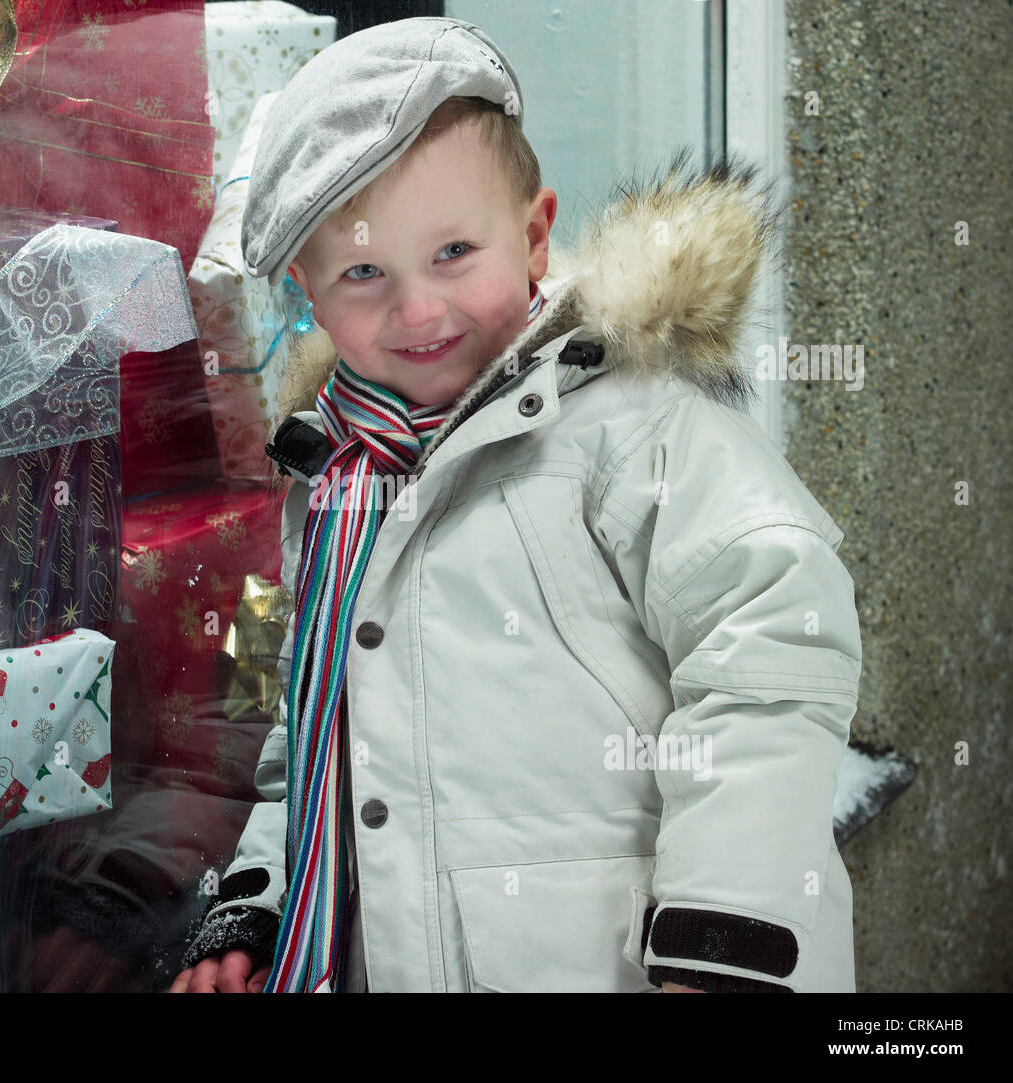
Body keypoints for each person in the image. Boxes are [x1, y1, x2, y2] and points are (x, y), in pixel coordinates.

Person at [170, 17, 860, 993]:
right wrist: (259, 901)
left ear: (533, 235)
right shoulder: (337, 475)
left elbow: (770, 655)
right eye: (365, 273)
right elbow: (315, 728)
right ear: (308, 294)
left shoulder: (630, 421)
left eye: (453, 251)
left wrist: (724, 937)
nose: (417, 311)